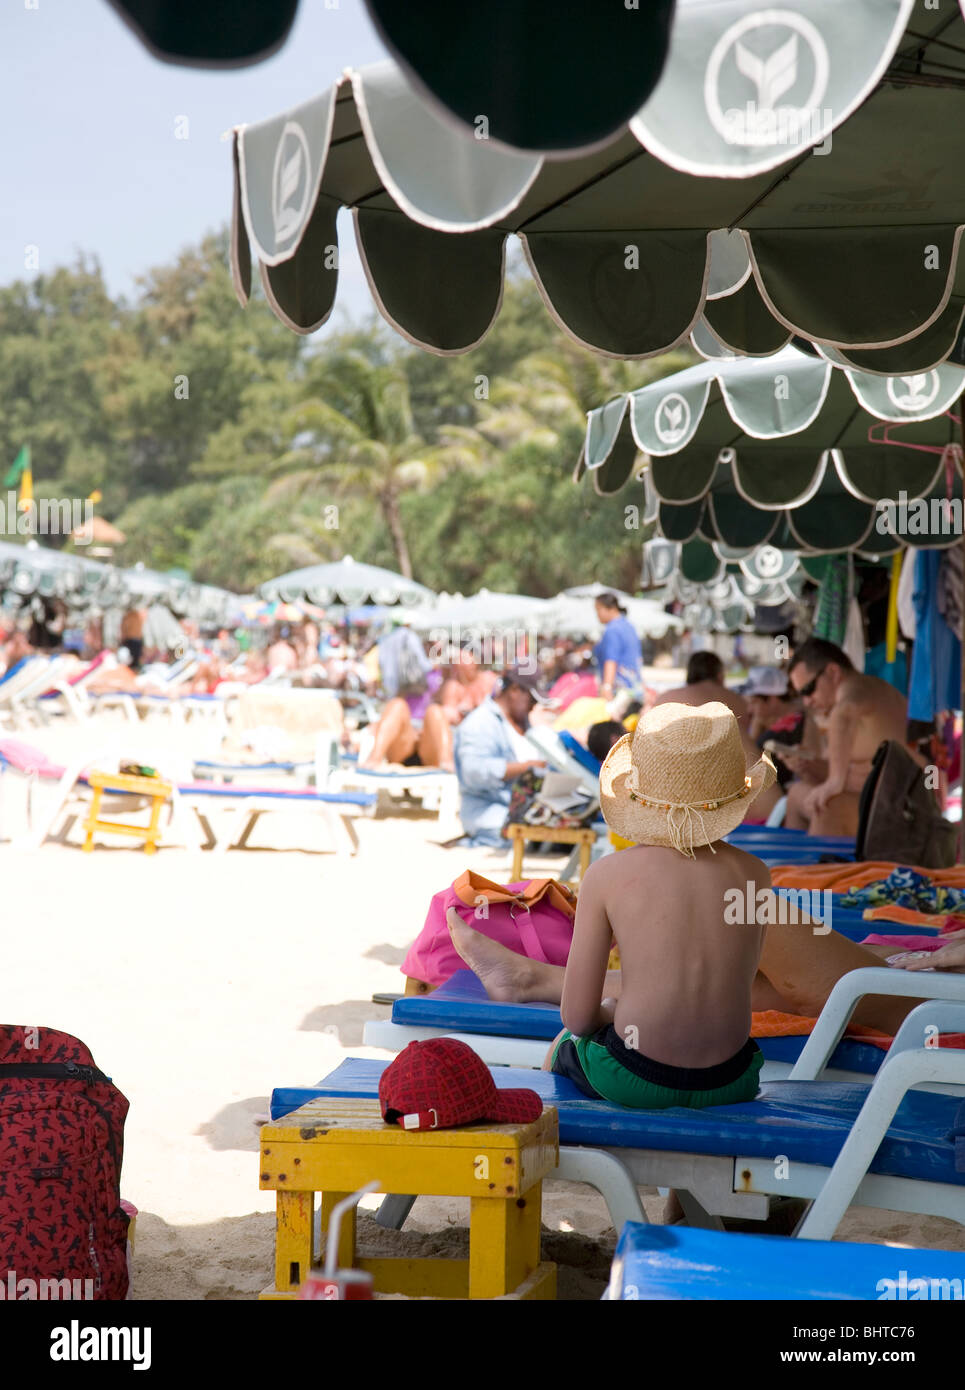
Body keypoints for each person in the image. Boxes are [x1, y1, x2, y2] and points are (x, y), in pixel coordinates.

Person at [785, 637, 910, 836]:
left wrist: (834, 782)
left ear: (833, 672)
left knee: (826, 806)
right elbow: (852, 770)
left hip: (897, 810)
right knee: (796, 794)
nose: (807, 701)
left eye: (808, 690)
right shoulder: (868, 693)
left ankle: (812, 868)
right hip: (877, 803)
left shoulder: (857, 691)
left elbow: (846, 712)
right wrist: (808, 766)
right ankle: (791, 865)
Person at [452, 670, 548, 847]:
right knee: (526, 841)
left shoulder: (524, 722)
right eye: (532, 700)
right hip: (488, 811)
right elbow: (473, 772)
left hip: (522, 810)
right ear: (514, 690)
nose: (534, 706)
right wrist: (527, 767)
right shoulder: (479, 723)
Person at [593, 592, 642, 702]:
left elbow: (611, 660)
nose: (597, 615)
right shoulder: (629, 626)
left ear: (610, 608)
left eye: (598, 609)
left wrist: (607, 687)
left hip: (619, 691)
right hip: (634, 688)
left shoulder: (612, 630)